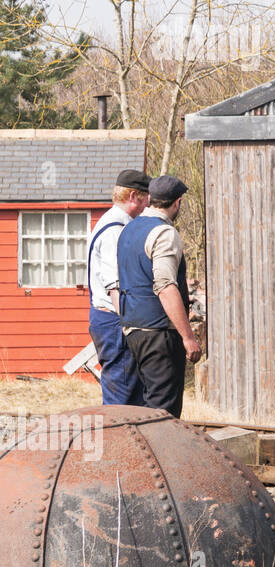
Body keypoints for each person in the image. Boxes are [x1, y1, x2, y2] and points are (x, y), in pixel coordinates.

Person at [118, 175, 202, 418]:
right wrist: (187, 337)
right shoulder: (164, 233)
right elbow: (164, 287)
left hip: (132, 330)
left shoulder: (128, 230)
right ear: (176, 203)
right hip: (159, 334)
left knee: (142, 408)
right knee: (164, 412)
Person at [87, 169, 151, 406]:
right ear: (134, 196)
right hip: (115, 321)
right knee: (120, 399)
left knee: (132, 394)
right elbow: (115, 285)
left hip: (111, 319)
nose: (148, 206)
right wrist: (129, 325)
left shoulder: (115, 223)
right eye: (147, 200)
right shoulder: (115, 230)